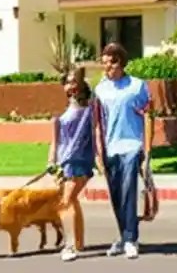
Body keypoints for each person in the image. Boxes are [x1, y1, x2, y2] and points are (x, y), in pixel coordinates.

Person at [93, 42, 152, 260]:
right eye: (104, 63)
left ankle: (130, 239)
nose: (106, 67)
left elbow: (148, 117)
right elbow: (98, 123)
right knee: (116, 196)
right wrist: (98, 153)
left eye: (110, 62)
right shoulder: (99, 90)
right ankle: (123, 235)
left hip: (131, 146)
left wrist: (147, 151)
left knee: (129, 192)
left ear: (120, 62)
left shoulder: (137, 86)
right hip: (110, 148)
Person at [49, 66, 95, 262]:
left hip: (79, 161)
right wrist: (51, 161)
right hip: (64, 163)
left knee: (66, 201)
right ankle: (79, 243)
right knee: (72, 201)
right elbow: (55, 141)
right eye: (66, 83)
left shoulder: (89, 110)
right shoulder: (65, 113)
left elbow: (96, 135)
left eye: (72, 82)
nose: (69, 86)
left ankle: (70, 246)